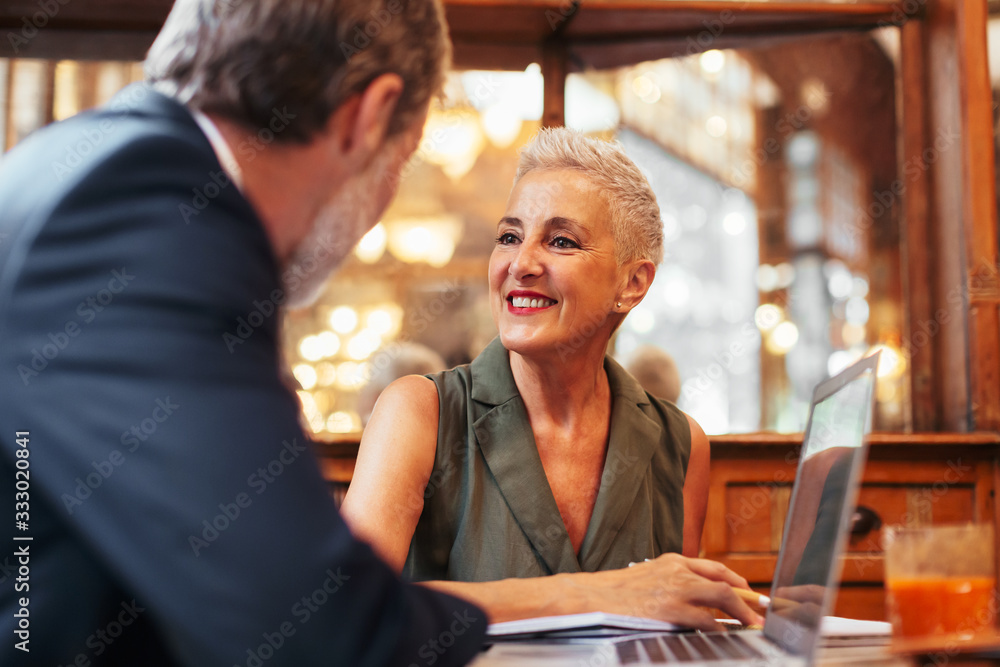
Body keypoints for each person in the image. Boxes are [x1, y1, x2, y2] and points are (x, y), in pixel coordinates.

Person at [0, 1, 488, 665]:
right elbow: (314, 630)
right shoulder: (146, 209)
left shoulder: (91, 161)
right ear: (370, 116)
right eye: (403, 163)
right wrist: (552, 606)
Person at [341, 127, 764, 628]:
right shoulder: (418, 412)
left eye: (561, 241)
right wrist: (592, 594)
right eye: (509, 237)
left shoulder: (681, 444)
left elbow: (671, 633)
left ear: (632, 283)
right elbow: (346, 610)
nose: (521, 263)